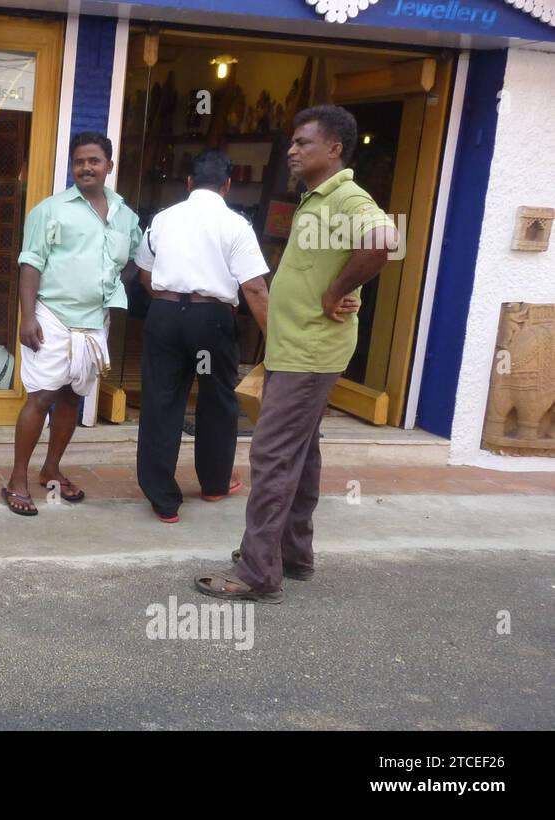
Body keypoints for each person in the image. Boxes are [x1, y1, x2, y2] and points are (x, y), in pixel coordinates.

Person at [196, 105, 396, 603]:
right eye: (292, 142)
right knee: (301, 456)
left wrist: (337, 293)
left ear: (334, 149)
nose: (291, 149)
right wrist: (335, 288)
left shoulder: (348, 197)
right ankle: (294, 555)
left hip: (310, 351)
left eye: (303, 142)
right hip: (297, 348)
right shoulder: (316, 199)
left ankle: (258, 573)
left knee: (272, 455)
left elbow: (385, 242)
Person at [2, 131, 141, 515]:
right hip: (51, 315)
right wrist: (27, 316)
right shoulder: (51, 209)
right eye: (79, 161)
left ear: (109, 166)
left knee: (72, 396)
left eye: (94, 161)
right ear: (72, 166)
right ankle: (16, 478)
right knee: (42, 395)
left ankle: (52, 468)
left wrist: (113, 287)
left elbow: (136, 258)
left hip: (95, 321)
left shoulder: (125, 216)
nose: (86, 167)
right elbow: (30, 262)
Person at [134, 150, 271, 523]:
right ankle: (214, 484)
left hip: (163, 317)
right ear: (227, 186)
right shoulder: (236, 225)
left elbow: (144, 274)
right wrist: (276, 343)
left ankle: (163, 501)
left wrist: (170, 303)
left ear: (189, 183)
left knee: (161, 400)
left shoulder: (163, 219)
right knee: (215, 398)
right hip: (210, 321)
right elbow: (255, 289)